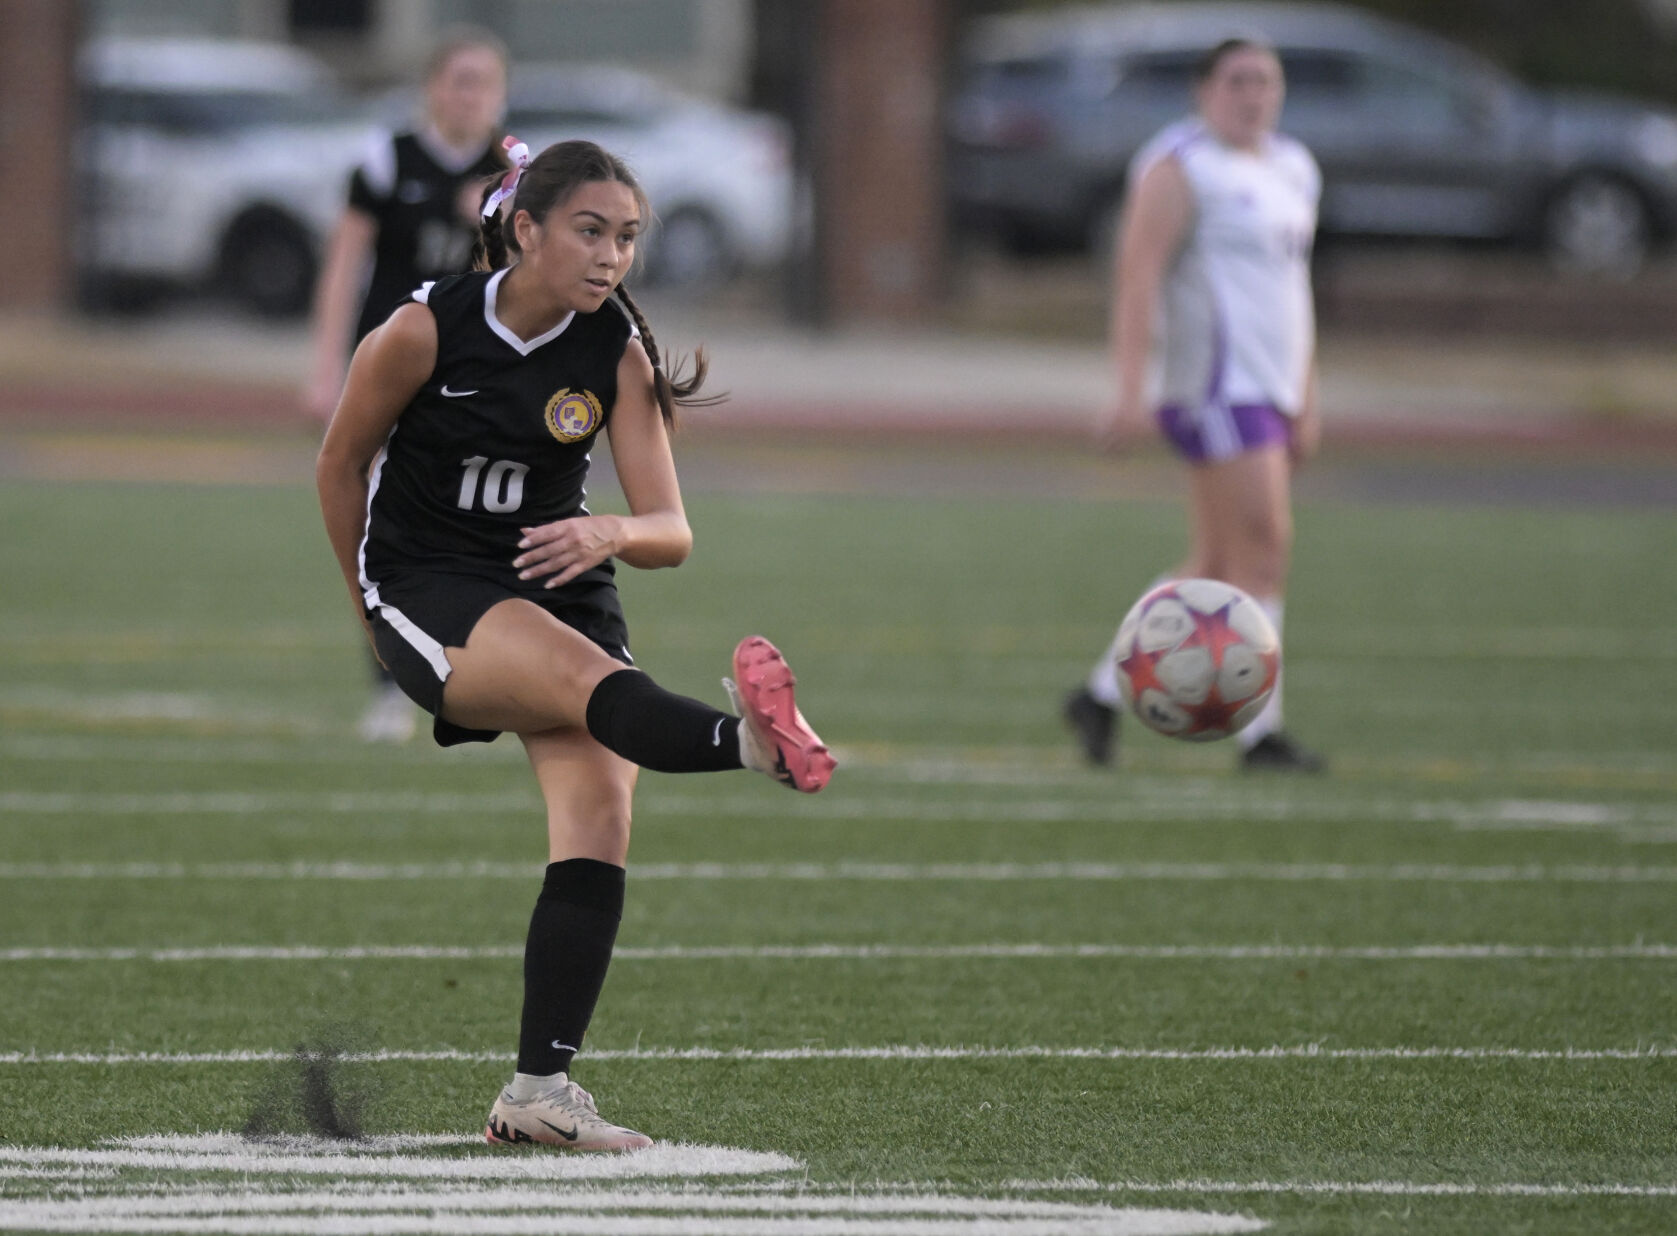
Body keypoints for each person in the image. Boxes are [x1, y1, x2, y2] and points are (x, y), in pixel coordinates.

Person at [315, 137, 837, 1151]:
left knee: (599, 812)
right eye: (590, 231)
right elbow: (338, 467)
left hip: (563, 578)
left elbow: (670, 530)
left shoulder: (614, 353)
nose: (610, 257)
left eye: (628, 238)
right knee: (584, 677)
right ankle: (754, 746)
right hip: (431, 583)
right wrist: (368, 614)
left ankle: (537, 1096)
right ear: (525, 230)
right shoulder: (422, 332)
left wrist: (611, 531)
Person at [1064, 36, 1325, 773]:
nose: (1254, 96)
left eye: (1266, 82)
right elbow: (1137, 277)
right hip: (1214, 387)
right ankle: (1260, 735)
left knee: (1214, 562)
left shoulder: (1293, 167)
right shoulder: (1179, 166)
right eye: (1238, 81)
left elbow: (1290, 292)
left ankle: (1096, 695)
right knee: (1265, 548)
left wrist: (1306, 392)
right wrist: (1128, 389)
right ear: (1203, 90)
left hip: (1266, 389)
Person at [304, 27, 511, 742]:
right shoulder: (387, 158)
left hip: (478, 379)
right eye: (459, 80)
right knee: (380, 531)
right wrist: (325, 366)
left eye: (484, 82)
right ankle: (389, 686)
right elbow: (343, 266)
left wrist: (494, 225)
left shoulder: (516, 172)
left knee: (480, 526)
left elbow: (532, 278)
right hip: (391, 371)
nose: (471, 95)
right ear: (431, 87)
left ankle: (481, 686)